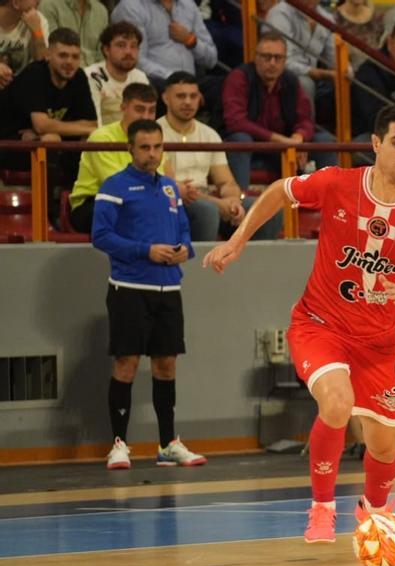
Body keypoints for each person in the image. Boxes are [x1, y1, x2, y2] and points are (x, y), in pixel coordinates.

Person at [202, 104, 395, 543]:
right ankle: (322, 507)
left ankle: (375, 514)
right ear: (376, 144)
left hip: (377, 344)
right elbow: (281, 191)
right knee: (337, 404)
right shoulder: (339, 183)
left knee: (385, 445)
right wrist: (238, 239)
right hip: (319, 325)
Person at [92, 118, 205, 471]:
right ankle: (119, 445)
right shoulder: (114, 187)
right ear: (130, 148)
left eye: (157, 146)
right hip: (129, 288)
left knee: (166, 364)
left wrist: (187, 249)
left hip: (169, 288)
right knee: (126, 363)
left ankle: (167, 443)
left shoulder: (171, 189)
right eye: (145, 147)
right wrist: (146, 250)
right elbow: (101, 236)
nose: (152, 153)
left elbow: (185, 233)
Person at [159, 71, 282, 241]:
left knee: (269, 207)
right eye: (181, 96)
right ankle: (204, 266)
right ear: (166, 98)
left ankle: (257, 266)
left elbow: (226, 182)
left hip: (206, 200)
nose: (188, 102)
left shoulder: (209, 134)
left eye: (193, 96)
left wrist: (232, 201)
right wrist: (218, 204)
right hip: (175, 201)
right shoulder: (156, 133)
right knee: (207, 211)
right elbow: (171, 186)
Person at [221, 31, 337, 190]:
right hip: (253, 146)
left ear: (284, 60)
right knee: (241, 139)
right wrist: (279, 140)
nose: (272, 63)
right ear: (256, 58)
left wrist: (299, 138)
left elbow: (305, 119)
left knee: (324, 140)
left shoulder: (291, 80)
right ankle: (241, 203)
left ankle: (334, 202)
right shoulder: (239, 77)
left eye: (278, 58)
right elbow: (236, 122)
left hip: (284, 146)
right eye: (267, 57)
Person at [0, 28, 94, 191]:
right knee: (51, 138)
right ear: (48, 55)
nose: (69, 62)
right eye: (63, 55)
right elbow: (41, 125)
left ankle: (78, 201)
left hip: (43, 143)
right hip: (8, 144)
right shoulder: (34, 74)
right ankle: (48, 209)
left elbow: (92, 125)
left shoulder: (78, 77)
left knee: (89, 139)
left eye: (75, 57)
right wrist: (53, 128)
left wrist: (51, 127)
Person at [69, 82, 158, 233]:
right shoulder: (101, 137)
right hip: (95, 202)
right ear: (123, 108)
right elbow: (116, 185)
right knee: (136, 212)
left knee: (195, 211)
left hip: (143, 199)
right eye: (139, 109)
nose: (146, 117)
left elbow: (163, 177)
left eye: (151, 111)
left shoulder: (154, 138)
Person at [110, 0, 216, 86]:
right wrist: (175, 78)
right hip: (154, 82)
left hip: (191, 84)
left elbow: (211, 60)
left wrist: (190, 40)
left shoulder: (189, 5)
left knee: (222, 84)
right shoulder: (131, 6)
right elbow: (135, 60)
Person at [84, 22, 149, 126]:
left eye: (133, 46)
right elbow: (95, 124)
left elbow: (145, 121)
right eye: (121, 45)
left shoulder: (140, 78)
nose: (129, 51)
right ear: (106, 50)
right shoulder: (91, 76)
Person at [40, 0, 107, 66]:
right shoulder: (49, 5)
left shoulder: (101, 10)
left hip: (96, 72)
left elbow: (102, 54)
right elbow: (52, 50)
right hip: (63, 70)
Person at [0, 0, 49, 78]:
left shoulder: (37, 19)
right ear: (16, 3)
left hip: (23, 85)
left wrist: (37, 31)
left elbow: (42, 62)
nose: (39, 1)